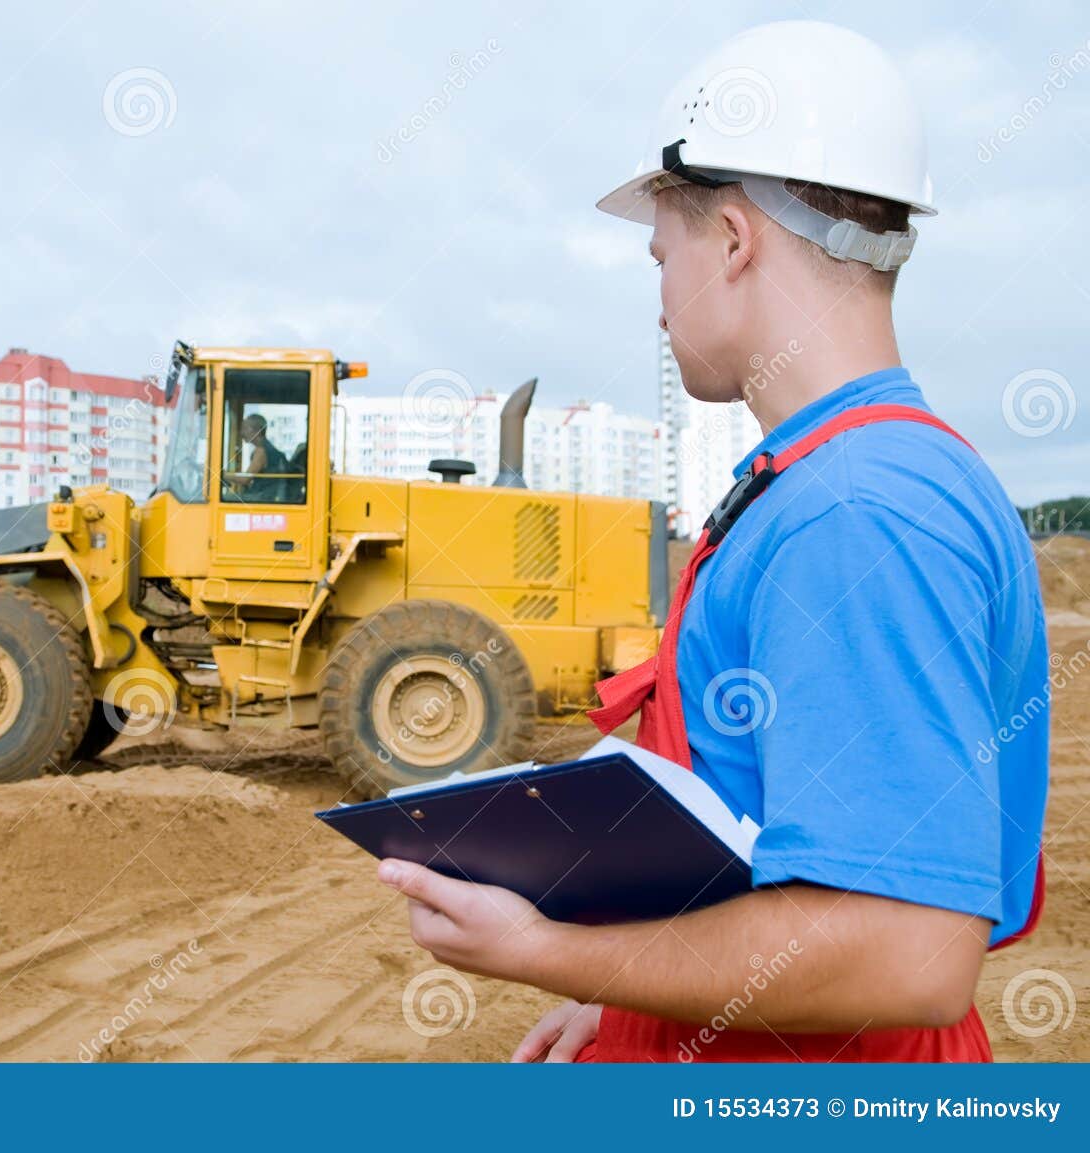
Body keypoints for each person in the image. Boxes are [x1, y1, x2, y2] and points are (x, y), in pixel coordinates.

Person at [378, 20, 1049, 1063]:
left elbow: (902, 949)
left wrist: (553, 951)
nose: (656, 307)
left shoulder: (854, 510)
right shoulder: (823, 479)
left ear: (733, 238)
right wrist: (628, 1004)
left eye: (662, 254)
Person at [229, 413, 288, 501]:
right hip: (267, 496)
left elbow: (245, 479)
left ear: (258, 431)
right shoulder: (269, 449)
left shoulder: (261, 451)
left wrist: (222, 475)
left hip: (260, 497)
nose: (241, 433)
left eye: (245, 428)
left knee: (225, 498)